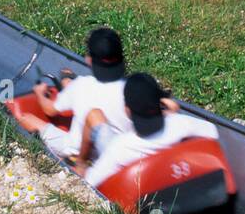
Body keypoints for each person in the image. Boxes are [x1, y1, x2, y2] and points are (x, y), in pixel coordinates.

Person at [17, 27, 133, 164]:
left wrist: (40, 93)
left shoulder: (81, 86)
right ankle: (67, 82)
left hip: (75, 149)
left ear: (89, 60)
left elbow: (50, 110)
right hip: (115, 153)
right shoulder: (133, 88)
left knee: (26, 118)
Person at [85, 73, 218, 190]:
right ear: (159, 102)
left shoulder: (120, 148)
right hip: (180, 182)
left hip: (140, 187)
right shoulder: (183, 124)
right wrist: (171, 114)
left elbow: (89, 183)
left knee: (95, 118)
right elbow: (214, 133)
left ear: (127, 109)